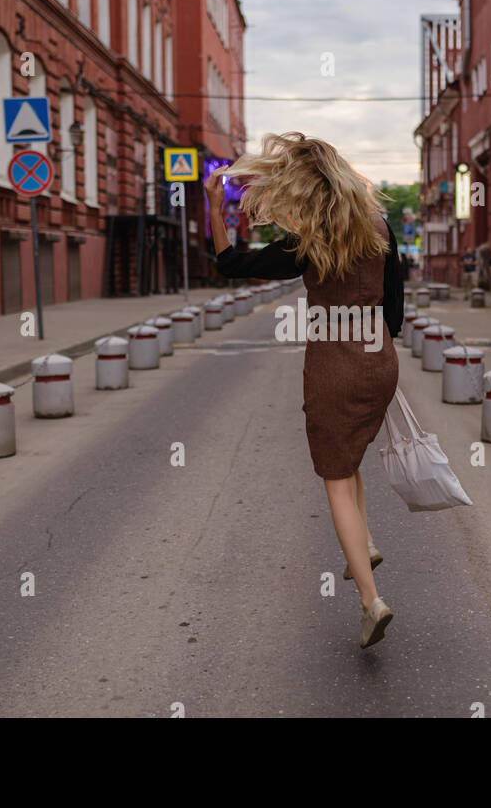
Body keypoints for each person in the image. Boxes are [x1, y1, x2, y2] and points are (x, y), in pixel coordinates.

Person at [205, 132, 405, 649]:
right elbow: (396, 311)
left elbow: (231, 266)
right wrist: (375, 350)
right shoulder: (383, 227)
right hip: (380, 358)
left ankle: (370, 600)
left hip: (333, 365)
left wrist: (212, 204)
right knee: (350, 453)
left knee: (336, 476)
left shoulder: (306, 243)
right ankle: (365, 542)